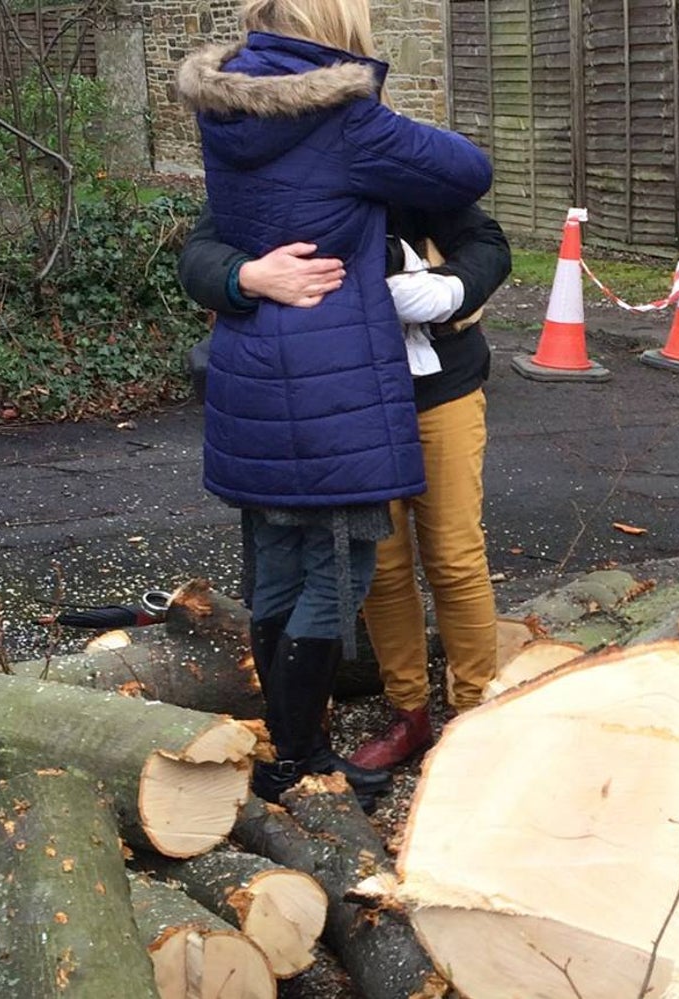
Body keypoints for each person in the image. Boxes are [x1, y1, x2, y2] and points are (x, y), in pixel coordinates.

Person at [175, 0, 493, 802]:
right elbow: (467, 166)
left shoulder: (231, 123)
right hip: (340, 390)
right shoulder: (354, 129)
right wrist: (247, 274)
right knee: (349, 567)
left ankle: (460, 721)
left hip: (362, 382)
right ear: (345, 39)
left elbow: (482, 233)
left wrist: (450, 288)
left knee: (414, 557)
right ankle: (313, 751)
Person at [181, 196, 511, 771]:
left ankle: (474, 711)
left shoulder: (400, 167)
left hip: (441, 389)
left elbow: (487, 245)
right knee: (380, 566)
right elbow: (201, 261)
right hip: (347, 402)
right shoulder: (269, 173)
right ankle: (409, 712)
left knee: (455, 554)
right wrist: (249, 276)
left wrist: (449, 289)